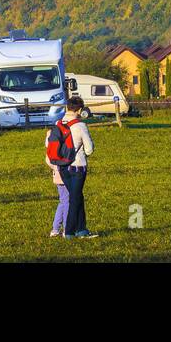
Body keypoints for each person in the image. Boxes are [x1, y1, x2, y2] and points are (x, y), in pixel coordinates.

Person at [57, 95, 96, 238]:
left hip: (62, 167)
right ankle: (69, 231)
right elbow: (89, 149)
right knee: (75, 198)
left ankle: (82, 229)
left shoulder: (58, 123)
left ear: (67, 107)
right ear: (79, 110)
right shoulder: (80, 125)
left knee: (77, 196)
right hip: (77, 167)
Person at [46, 143, 69, 238]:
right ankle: (67, 228)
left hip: (57, 174)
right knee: (68, 202)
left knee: (63, 201)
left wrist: (55, 168)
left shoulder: (51, 143)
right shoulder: (62, 139)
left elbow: (48, 160)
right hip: (64, 173)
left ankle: (55, 229)